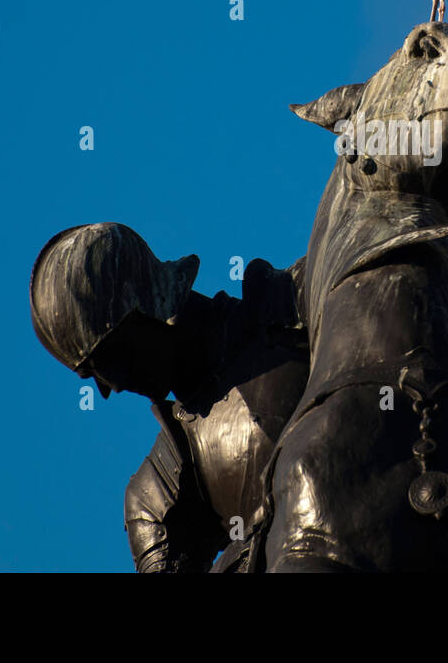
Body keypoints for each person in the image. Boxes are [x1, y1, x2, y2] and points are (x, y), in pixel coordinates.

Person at [29, 223, 309, 572]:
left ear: (143, 305)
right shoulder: (156, 498)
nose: (111, 387)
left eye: (110, 359)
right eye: (92, 375)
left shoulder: (295, 301)